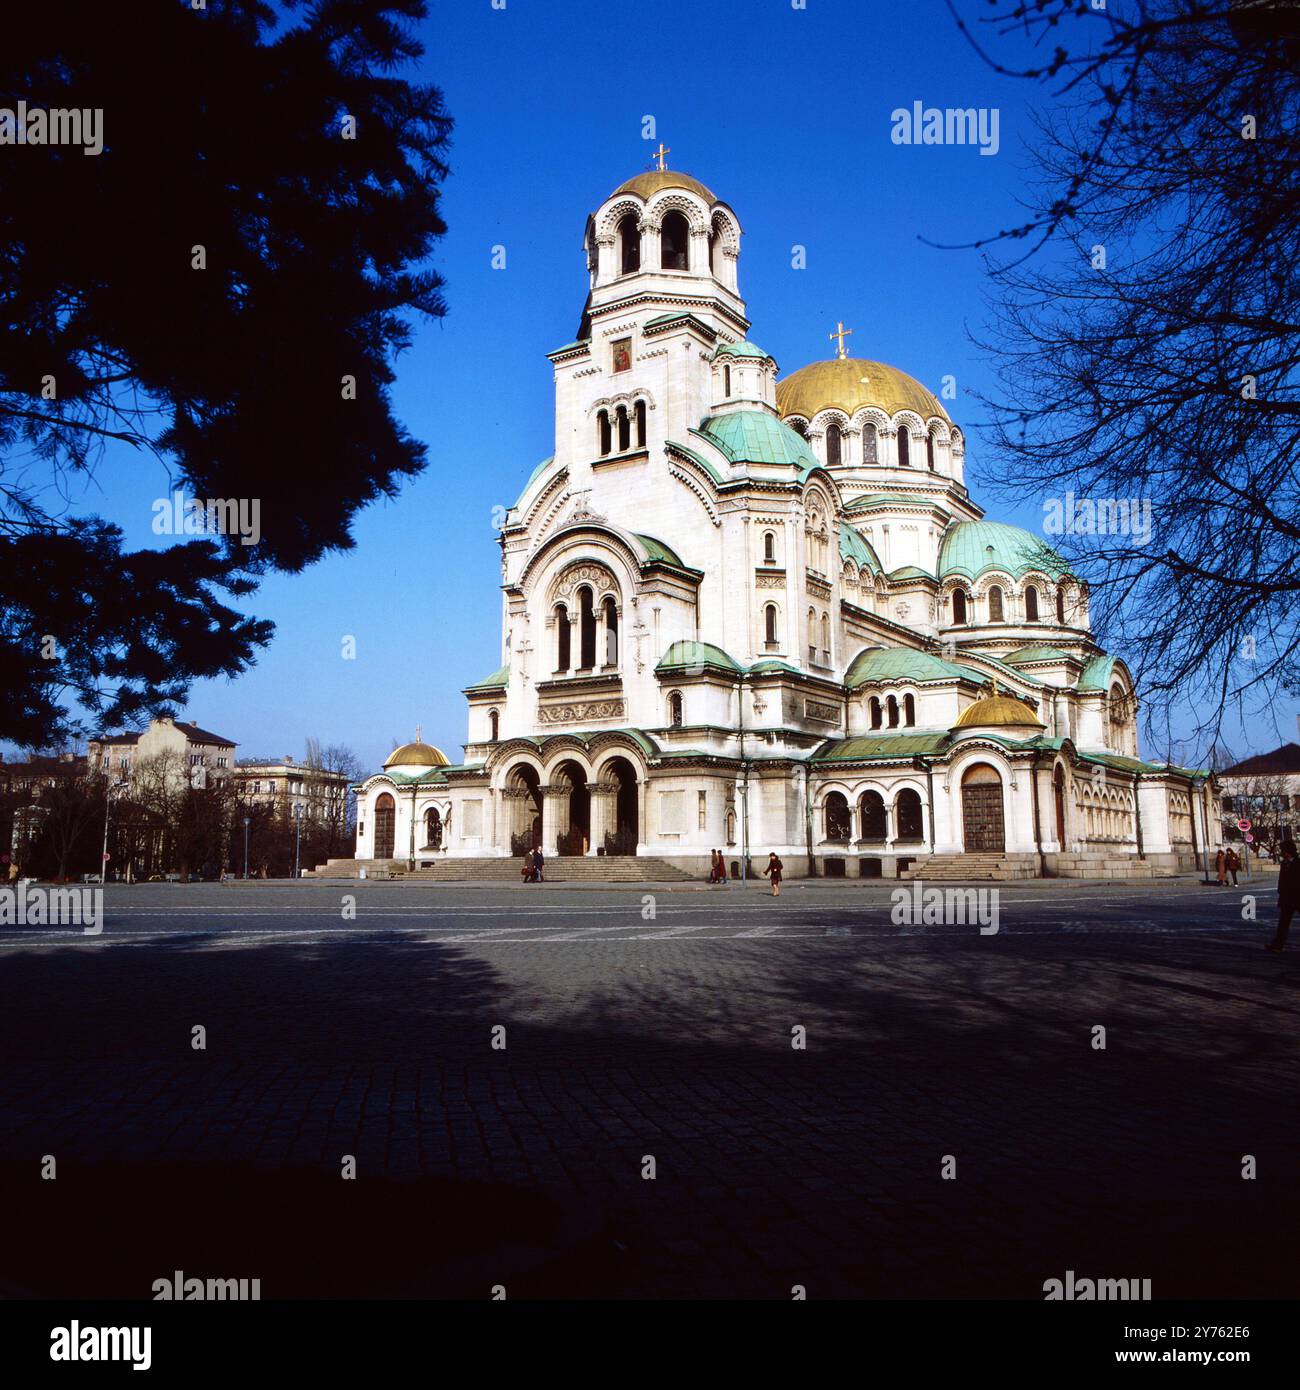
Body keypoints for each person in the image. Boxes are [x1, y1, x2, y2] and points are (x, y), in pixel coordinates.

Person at [1266, 838, 1298, 954]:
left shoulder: (1298, 863)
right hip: (1287, 899)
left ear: (1288, 851)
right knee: (1283, 924)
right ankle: (1277, 945)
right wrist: (1281, 891)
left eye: (1282, 850)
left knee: (1283, 923)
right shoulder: (1284, 864)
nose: (1281, 853)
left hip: (1298, 898)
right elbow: (1282, 880)